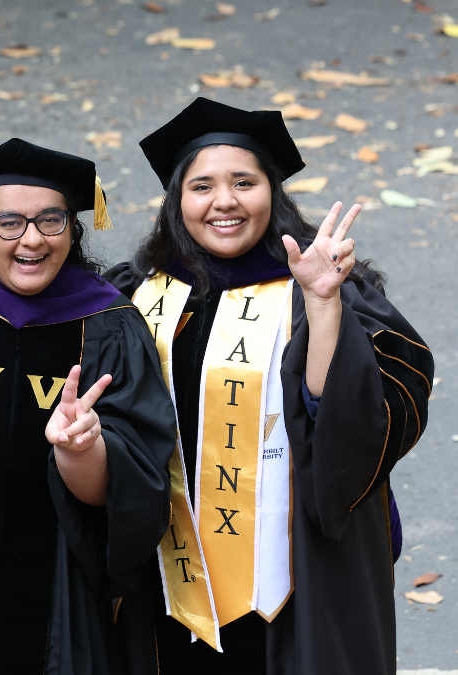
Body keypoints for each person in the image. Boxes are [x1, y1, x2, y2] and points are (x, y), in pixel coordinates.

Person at [106, 97, 434, 674]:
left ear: (272, 193)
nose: (224, 201)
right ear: (176, 201)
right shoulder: (136, 296)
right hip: (166, 577)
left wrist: (324, 304)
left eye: (243, 182)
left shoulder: (325, 287)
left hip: (295, 576)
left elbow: (347, 418)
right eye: (201, 186)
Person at [0, 138, 178, 674]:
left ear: (73, 230)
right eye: (8, 223)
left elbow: (134, 489)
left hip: (53, 600)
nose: (31, 238)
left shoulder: (108, 324)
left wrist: (87, 449)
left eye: (52, 221)